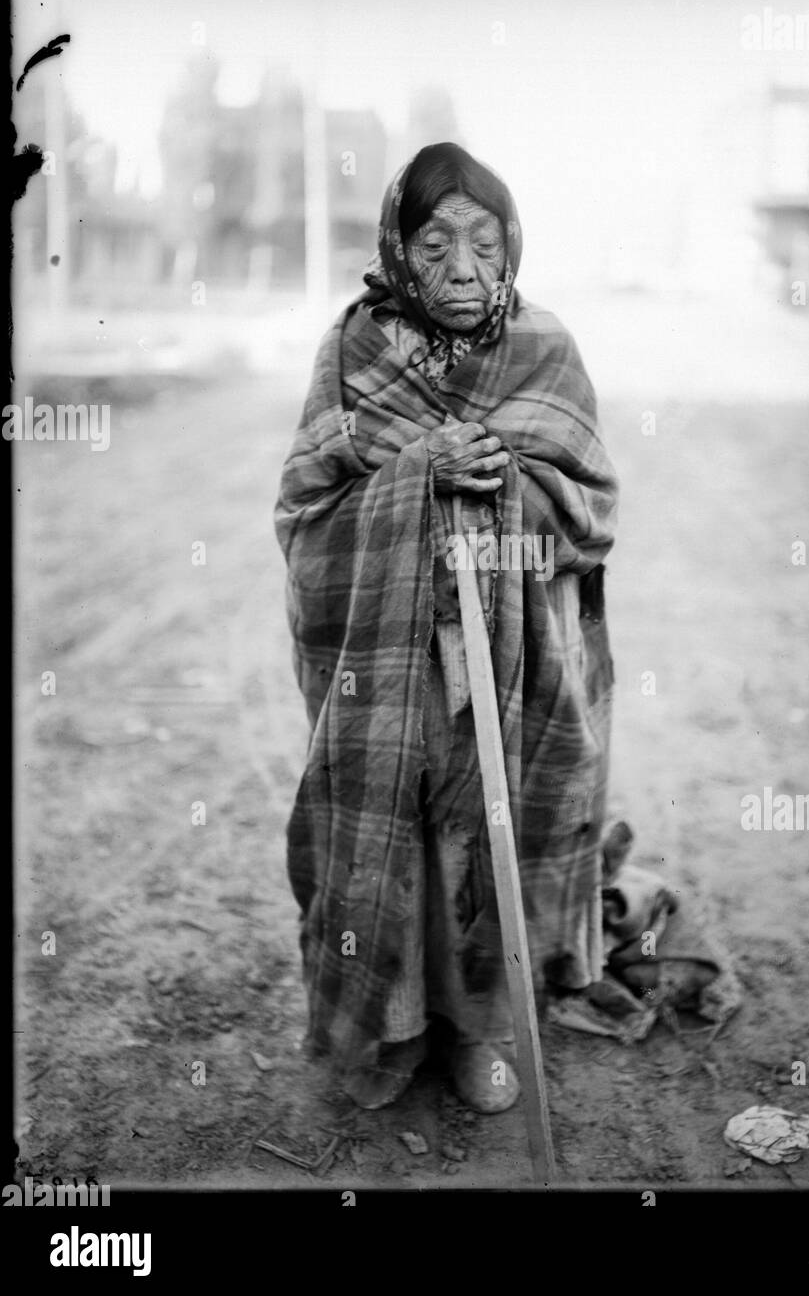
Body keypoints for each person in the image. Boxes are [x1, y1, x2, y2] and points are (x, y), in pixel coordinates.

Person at [275, 142, 618, 1115]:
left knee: (480, 834)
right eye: (434, 246)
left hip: (506, 658)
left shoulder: (543, 347)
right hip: (386, 663)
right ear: (397, 249)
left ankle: (476, 1030)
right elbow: (304, 514)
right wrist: (415, 473)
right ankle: (391, 1030)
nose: (462, 270)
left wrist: (504, 482)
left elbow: (591, 505)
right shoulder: (354, 351)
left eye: (482, 243)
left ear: (511, 249)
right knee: (398, 834)